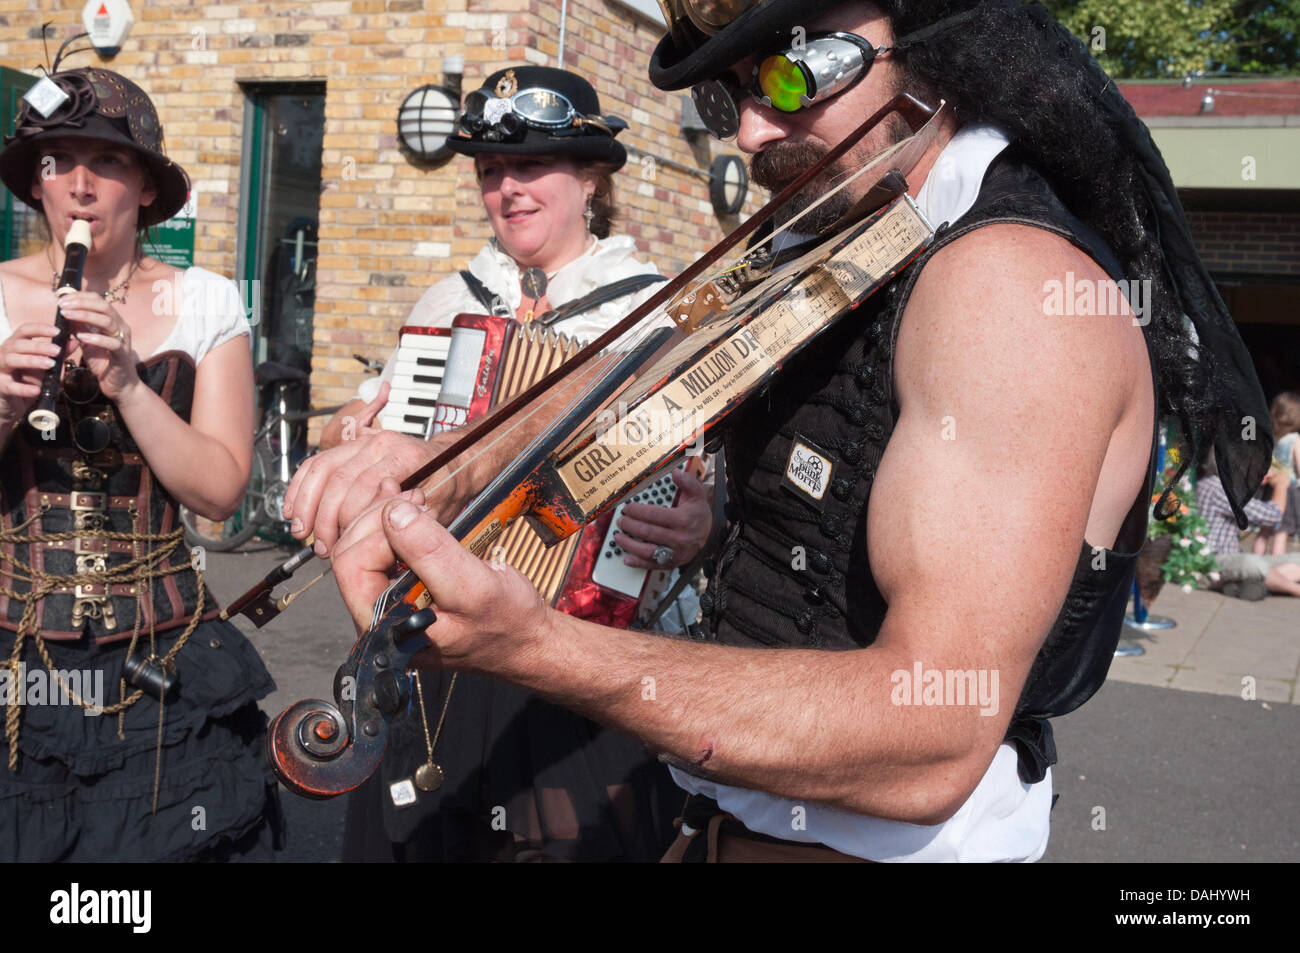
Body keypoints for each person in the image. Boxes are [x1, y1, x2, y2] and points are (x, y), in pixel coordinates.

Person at [292, 0, 1273, 862]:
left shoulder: (1006, 288)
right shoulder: (857, 230)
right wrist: (436, 468)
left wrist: (537, 647)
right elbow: (654, 366)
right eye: (734, 93)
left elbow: (934, 728)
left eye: (794, 72)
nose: (753, 128)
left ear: (935, 40)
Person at [316, 67, 710, 862]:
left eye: (530, 166)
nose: (507, 188)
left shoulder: (653, 309)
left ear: (591, 177)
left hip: (581, 651)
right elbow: (375, 438)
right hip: (441, 644)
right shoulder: (444, 306)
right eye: (491, 170)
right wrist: (350, 434)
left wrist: (701, 523)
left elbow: (712, 481)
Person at [0, 64, 282, 860]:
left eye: (111, 163)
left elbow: (221, 491)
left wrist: (127, 383)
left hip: (159, 650)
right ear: (37, 183)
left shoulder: (205, 301)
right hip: (15, 651)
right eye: (59, 161)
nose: (82, 185)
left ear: (148, 189)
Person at [1199, 449, 1300, 599]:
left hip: (1233, 558)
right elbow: (1272, 515)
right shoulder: (1215, 487)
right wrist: (1281, 485)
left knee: (1295, 560)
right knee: (1254, 564)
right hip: (1212, 562)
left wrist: (1259, 479)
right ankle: (1292, 589)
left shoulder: (1225, 486)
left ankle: (1245, 584)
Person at [1253, 391, 1300, 556]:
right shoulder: (1294, 439)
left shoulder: (1272, 438)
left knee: (1264, 532)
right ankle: (1276, 568)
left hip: (1270, 489)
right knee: (1281, 534)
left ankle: (1256, 563)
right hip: (1287, 491)